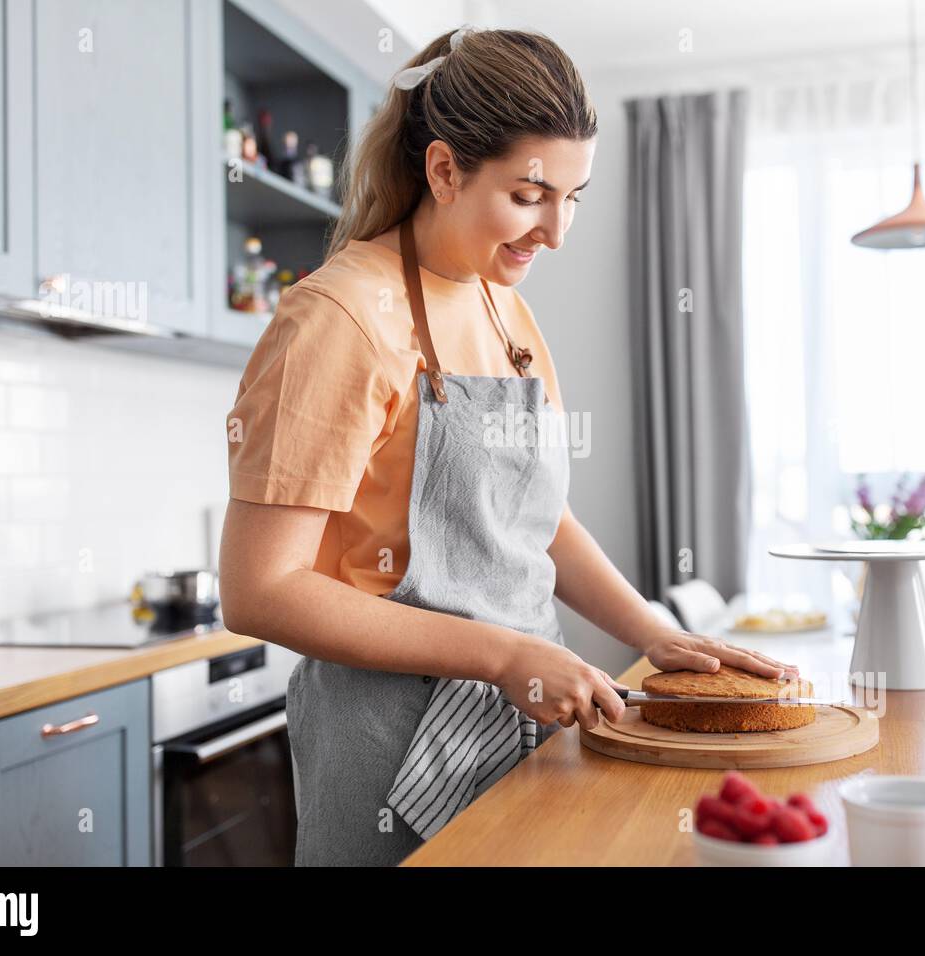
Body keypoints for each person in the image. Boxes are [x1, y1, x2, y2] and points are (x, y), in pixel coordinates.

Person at [218, 25, 798, 867]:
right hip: (387, 743)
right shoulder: (338, 319)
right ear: (445, 170)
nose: (556, 231)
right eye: (530, 196)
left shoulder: (500, 304)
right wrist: (502, 655)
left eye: (574, 196)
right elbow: (259, 590)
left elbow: (530, 515)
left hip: (515, 722)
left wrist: (650, 629)